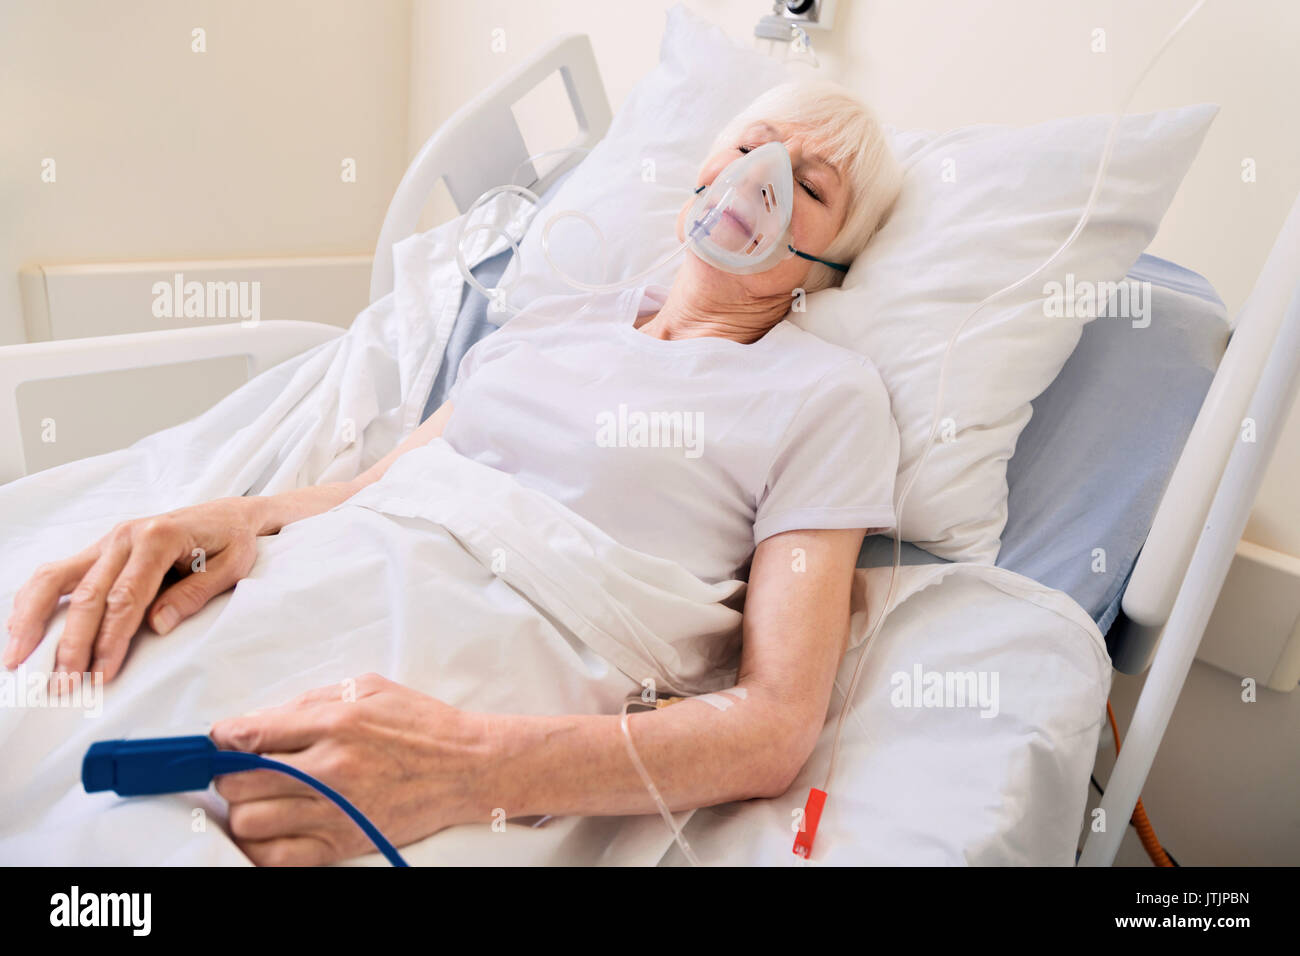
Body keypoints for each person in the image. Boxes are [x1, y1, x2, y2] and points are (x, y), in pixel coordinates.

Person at [3, 79, 905, 865]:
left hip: (483, 662)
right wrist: (234, 518)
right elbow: (380, 485)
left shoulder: (825, 397)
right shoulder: (555, 322)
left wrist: (466, 768)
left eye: (810, 187)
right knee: (49, 704)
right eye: (749, 147)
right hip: (334, 568)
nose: (761, 182)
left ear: (828, 267)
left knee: (174, 824)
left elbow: (775, 724)